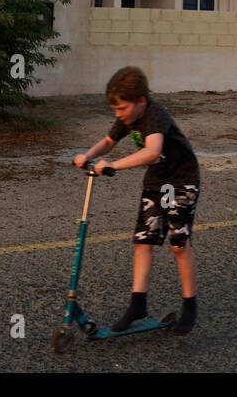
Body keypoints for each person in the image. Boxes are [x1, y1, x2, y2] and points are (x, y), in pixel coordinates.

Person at [73, 66, 200, 335]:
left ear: (141, 101)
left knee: (178, 244)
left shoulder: (155, 116)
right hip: (157, 181)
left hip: (181, 179)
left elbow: (152, 152)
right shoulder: (129, 117)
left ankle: (190, 307)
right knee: (143, 241)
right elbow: (109, 140)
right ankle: (137, 305)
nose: (118, 115)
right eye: (114, 110)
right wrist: (88, 156)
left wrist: (114, 166)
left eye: (121, 109)